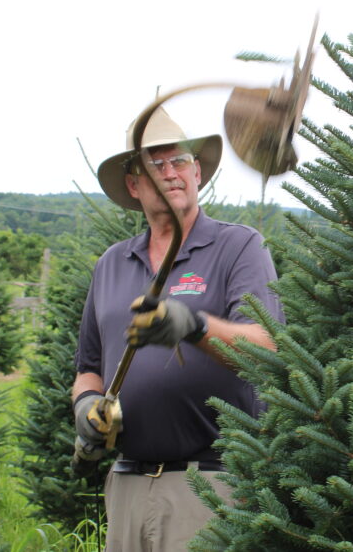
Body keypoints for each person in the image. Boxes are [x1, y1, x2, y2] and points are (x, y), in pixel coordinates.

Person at [71, 106, 282, 551]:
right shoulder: (111, 264)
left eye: (179, 161)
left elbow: (267, 349)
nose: (170, 173)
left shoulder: (238, 246)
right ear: (133, 184)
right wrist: (86, 404)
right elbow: (88, 367)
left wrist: (194, 326)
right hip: (126, 486)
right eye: (155, 166)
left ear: (198, 172)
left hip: (211, 485)